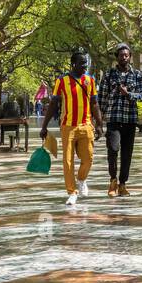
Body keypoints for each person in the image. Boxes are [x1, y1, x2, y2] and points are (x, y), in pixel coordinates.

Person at [39, 48, 105, 206]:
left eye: (86, 63)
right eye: (82, 63)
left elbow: (94, 103)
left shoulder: (90, 80)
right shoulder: (62, 81)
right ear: (73, 64)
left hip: (86, 125)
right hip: (68, 126)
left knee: (88, 158)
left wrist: (99, 124)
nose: (85, 66)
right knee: (67, 161)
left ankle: (81, 179)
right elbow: (53, 104)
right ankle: (72, 192)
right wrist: (44, 126)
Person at [98, 42, 142, 197]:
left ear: (130, 57)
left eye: (126, 55)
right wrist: (98, 121)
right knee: (113, 150)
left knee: (127, 153)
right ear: (116, 57)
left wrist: (129, 94)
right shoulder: (109, 74)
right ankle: (113, 181)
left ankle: (123, 184)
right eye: (121, 55)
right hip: (113, 119)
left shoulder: (137, 74)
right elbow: (101, 98)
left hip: (130, 120)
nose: (124, 57)